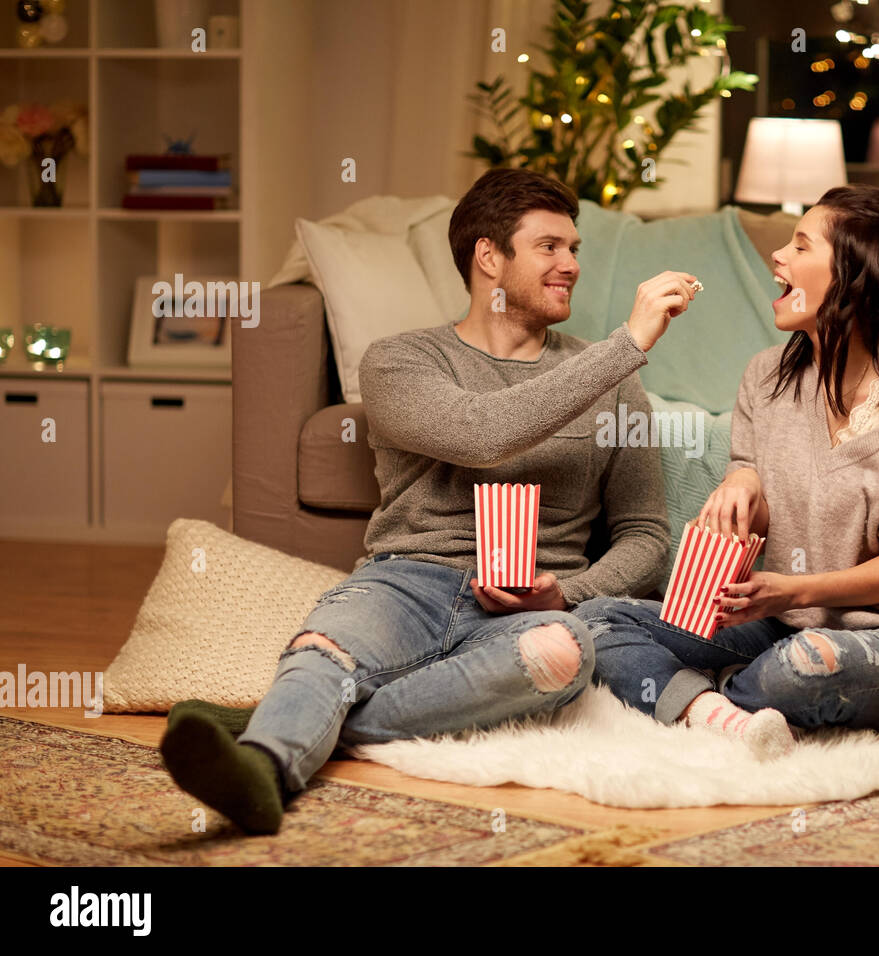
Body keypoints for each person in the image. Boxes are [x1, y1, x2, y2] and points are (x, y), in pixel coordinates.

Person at [160, 167, 697, 833]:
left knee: (562, 653)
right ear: (488, 256)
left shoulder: (613, 382)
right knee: (328, 645)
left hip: (526, 608)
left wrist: (569, 592)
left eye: (575, 249)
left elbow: (645, 535)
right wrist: (627, 344)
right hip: (407, 582)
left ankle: (318, 722)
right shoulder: (399, 361)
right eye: (549, 247)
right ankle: (263, 773)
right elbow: (485, 433)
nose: (570, 265)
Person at [574, 185, 879, 760]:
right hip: (783, 620)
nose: (778, 258)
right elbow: (765, 481)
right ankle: (719, 715)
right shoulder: (767, 377)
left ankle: (702, 695)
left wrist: (794, 589)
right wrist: (743, 482)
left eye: (799, 245)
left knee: (803, 668)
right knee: (595, 621)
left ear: (852, 275)